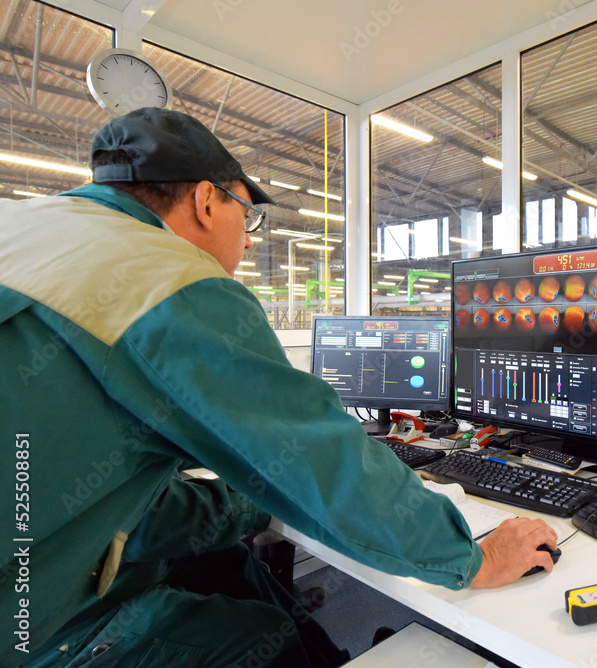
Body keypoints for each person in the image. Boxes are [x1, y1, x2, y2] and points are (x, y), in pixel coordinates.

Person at [0, 108, 558, 667]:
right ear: (205, 200)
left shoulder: (30, 230)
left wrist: (247, 505)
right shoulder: (162, 276)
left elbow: (120, 501)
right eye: (247, 215)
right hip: (31, 629)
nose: (247, 243)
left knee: (224, 563)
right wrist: (473, 559)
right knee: (263, 638)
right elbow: (326, 461)